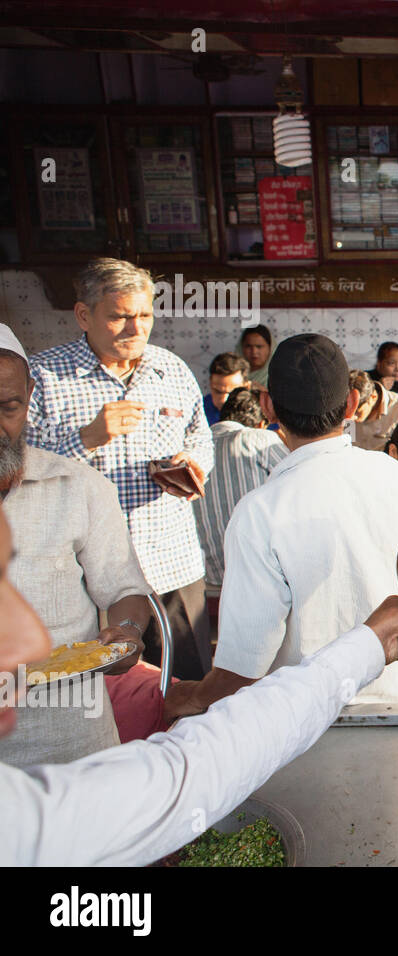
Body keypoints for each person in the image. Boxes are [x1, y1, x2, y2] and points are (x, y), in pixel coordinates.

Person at [0, 496, 398, 865]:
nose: (32, 642)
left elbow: (188, 773)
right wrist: (366, 644)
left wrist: (367, 644)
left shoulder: (24, 817)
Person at [163, 334, 398, 720]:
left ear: (268, 407)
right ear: (353, 404)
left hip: (303, 724)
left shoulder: (260, 512)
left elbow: (242, 670)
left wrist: (190, 697)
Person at [27, 258, 215, 682]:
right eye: (119, 317)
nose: (136, 329)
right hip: (87, 579)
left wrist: (193, 464)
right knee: (105, 693)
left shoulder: (171, 369)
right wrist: (86, 439)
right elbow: (20, 473)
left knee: (188, 689)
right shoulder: (44, 376)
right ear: (83, 315)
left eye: (144, 315)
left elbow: (200, 438)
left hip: (171, 563)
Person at [0, 326, 151, 766]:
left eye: (8, 407)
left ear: (29, 395)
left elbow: (125, 590)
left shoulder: (79, 488)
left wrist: (127, 633)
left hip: (67, 744)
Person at [194, 386, 288, 630]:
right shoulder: (260, 440)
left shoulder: (194, 450)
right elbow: (301, 482)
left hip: (202, 584)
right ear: (260, 423)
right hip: (252, 586)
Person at [347, 369, 398, 452]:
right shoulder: (344, 409)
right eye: (347, 411)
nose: (351, 417)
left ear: (373, 397)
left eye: (357, 412)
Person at [204, 352, 251, 426]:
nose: (224, 399)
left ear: (247, 387)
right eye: (218, 392)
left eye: (232, 393)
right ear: (210, 383)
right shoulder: (198, 411)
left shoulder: (261, 414)